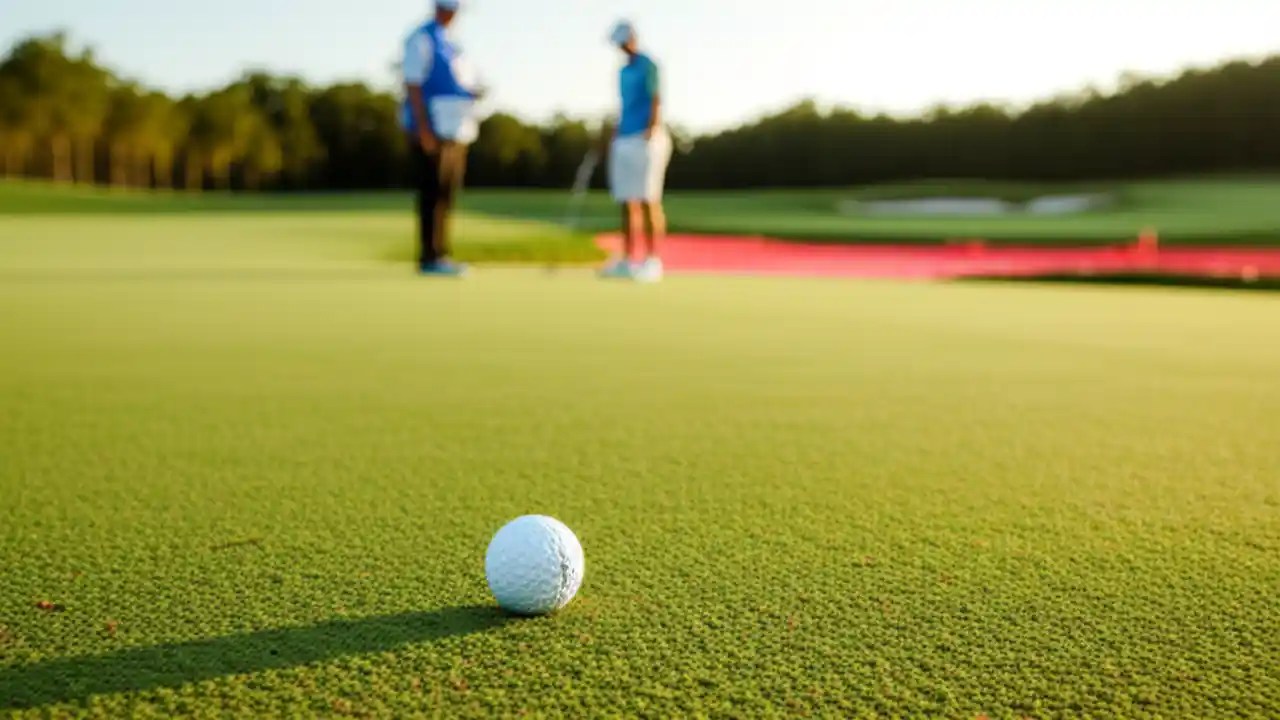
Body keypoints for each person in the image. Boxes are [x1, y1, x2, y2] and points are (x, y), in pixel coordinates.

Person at [402, 0, 483, 276]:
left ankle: (442, 254)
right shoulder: (421, 38)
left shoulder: (450, 42)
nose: (455, 16)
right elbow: (413, 84)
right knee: (432, 193)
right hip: (433, 129)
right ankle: (430, 256)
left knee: (447, 193)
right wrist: (423, 129)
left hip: (456, 128)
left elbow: (458, 81)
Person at [601, 21, 672, 283]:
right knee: (626, 200)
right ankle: (629, 259)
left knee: (647, 198)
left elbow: (655, 98)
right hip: (625, 137)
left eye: (624, 41)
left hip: (647, 138)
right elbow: (624, 105)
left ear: (633, 38)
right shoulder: (621, 71)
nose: (622, 47)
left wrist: (650, 129)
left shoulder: (648, 64)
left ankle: (653, 261)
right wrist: (615, 132)